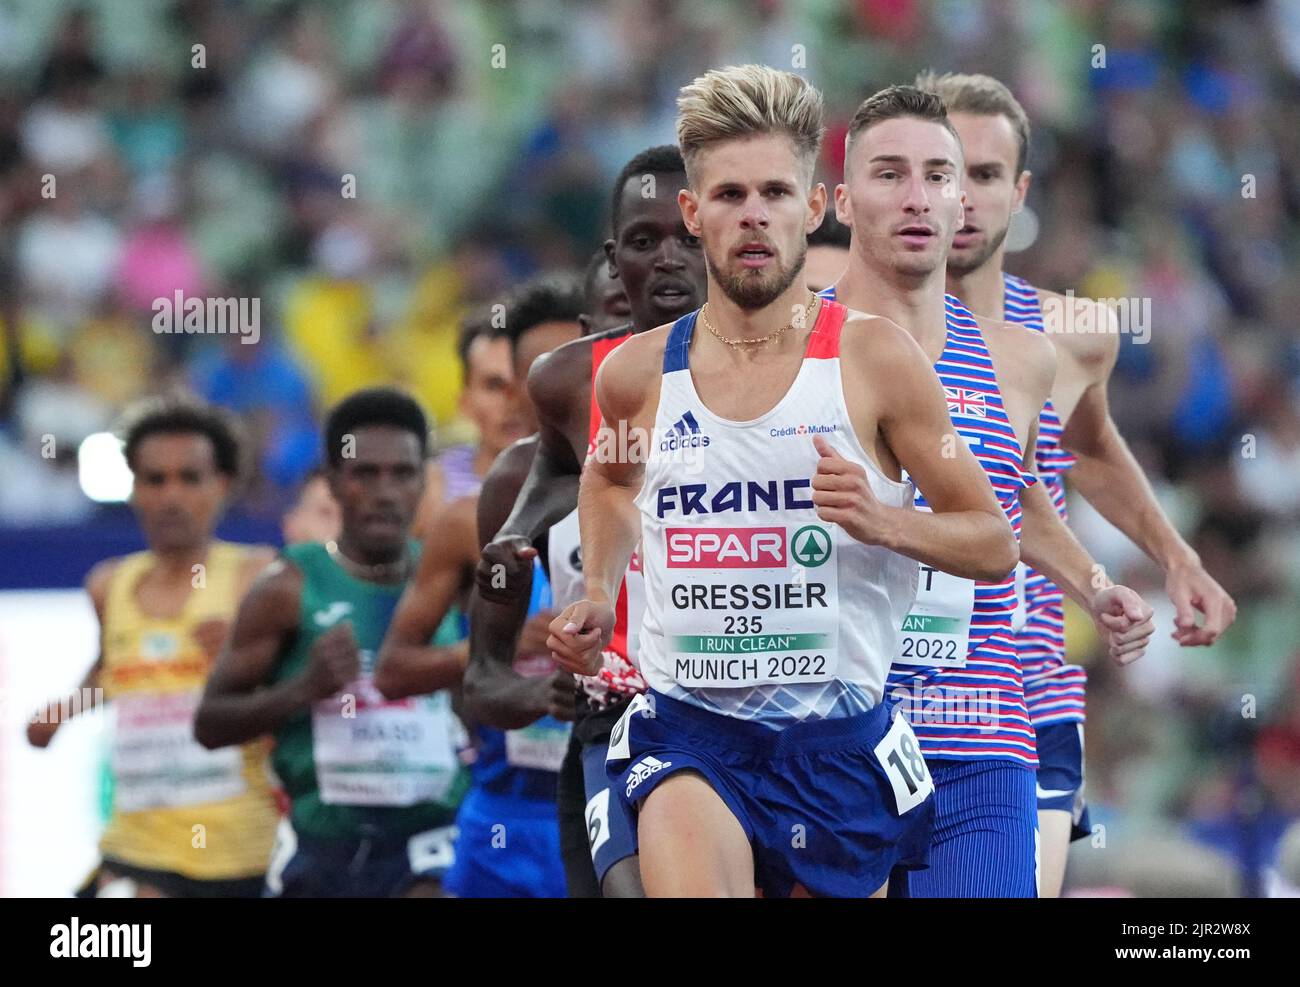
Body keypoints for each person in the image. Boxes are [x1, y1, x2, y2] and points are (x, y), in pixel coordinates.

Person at [548, 64, 1029, 898]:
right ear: (695, 217)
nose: (754, 215)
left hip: (837, 749)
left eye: (775, 192)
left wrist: (885, 522)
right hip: (691, 736)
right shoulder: (635, 375)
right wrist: (596, 587)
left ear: (811, 208)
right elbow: (612, 483)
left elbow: (992, 541)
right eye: (729, 195)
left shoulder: (877, 361)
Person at [827, 85, 1154, 897]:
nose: (920, 196)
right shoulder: (798, 344)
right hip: (828, 732)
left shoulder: (1022, 359)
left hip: (980, 735)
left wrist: (1094, 583)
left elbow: (1020, 499)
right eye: (890, 174)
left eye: (940, 175)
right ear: (840, 200)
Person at [917, 70, 1237, 896]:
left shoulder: (1074, 333)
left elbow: (1088, 448)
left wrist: (1174, 556)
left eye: (987, 175)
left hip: (1023, 689)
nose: (965, 196)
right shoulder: (851, 330)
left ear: (1018, 191)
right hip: (878, 683)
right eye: (944, 170)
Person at [474, 145, 707, 897]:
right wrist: (515, 531)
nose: (669, 259)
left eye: (688, 238)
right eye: (645, 241)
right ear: (616, 258)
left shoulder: (797, 369)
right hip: (616, 711)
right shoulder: (571, 380)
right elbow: (553, 470)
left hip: (755, 704)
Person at [194, 388, 465, 897]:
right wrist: (303, 688)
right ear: (335, 483)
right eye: (366, 474)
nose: (385, 492)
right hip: (323, 846)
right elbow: (210, 724)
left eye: (402, 474)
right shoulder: (288, 586)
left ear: (423, 483)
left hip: (428, 840)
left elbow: (484, 699)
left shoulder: (448, 576)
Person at [376, 275, 583, 897]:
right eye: (499, 384)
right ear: (469, 400)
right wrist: (505, 645)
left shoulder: (643, 497)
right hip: (505, 811)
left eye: (552, 371)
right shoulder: (459, 522)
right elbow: (393, 670)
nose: (520, 402)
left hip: (618, 792)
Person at [28, 395, 278, 897]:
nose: (171, 496)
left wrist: (238, 660)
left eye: (190, 478)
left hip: (235, 851)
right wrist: (64, 711)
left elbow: (303, 697)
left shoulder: (259, 577)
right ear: (134, 488)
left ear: (222, 486)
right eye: (154, 479)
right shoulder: (108, 584)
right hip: (136, 843)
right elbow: (110, 670)